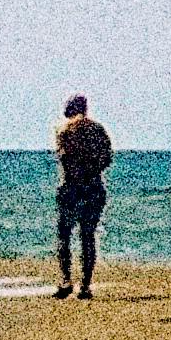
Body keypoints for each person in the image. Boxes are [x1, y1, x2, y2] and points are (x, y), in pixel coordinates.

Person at [53, 95, 112, 299]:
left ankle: (66, 280)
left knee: (64, 235)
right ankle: (85, 285)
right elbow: (107, 158)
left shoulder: (64, 129)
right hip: (93, 186)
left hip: (71, 187)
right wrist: (91, 170)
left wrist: (76, 173)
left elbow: (63, 158)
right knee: (88, 236)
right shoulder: (98, 129)